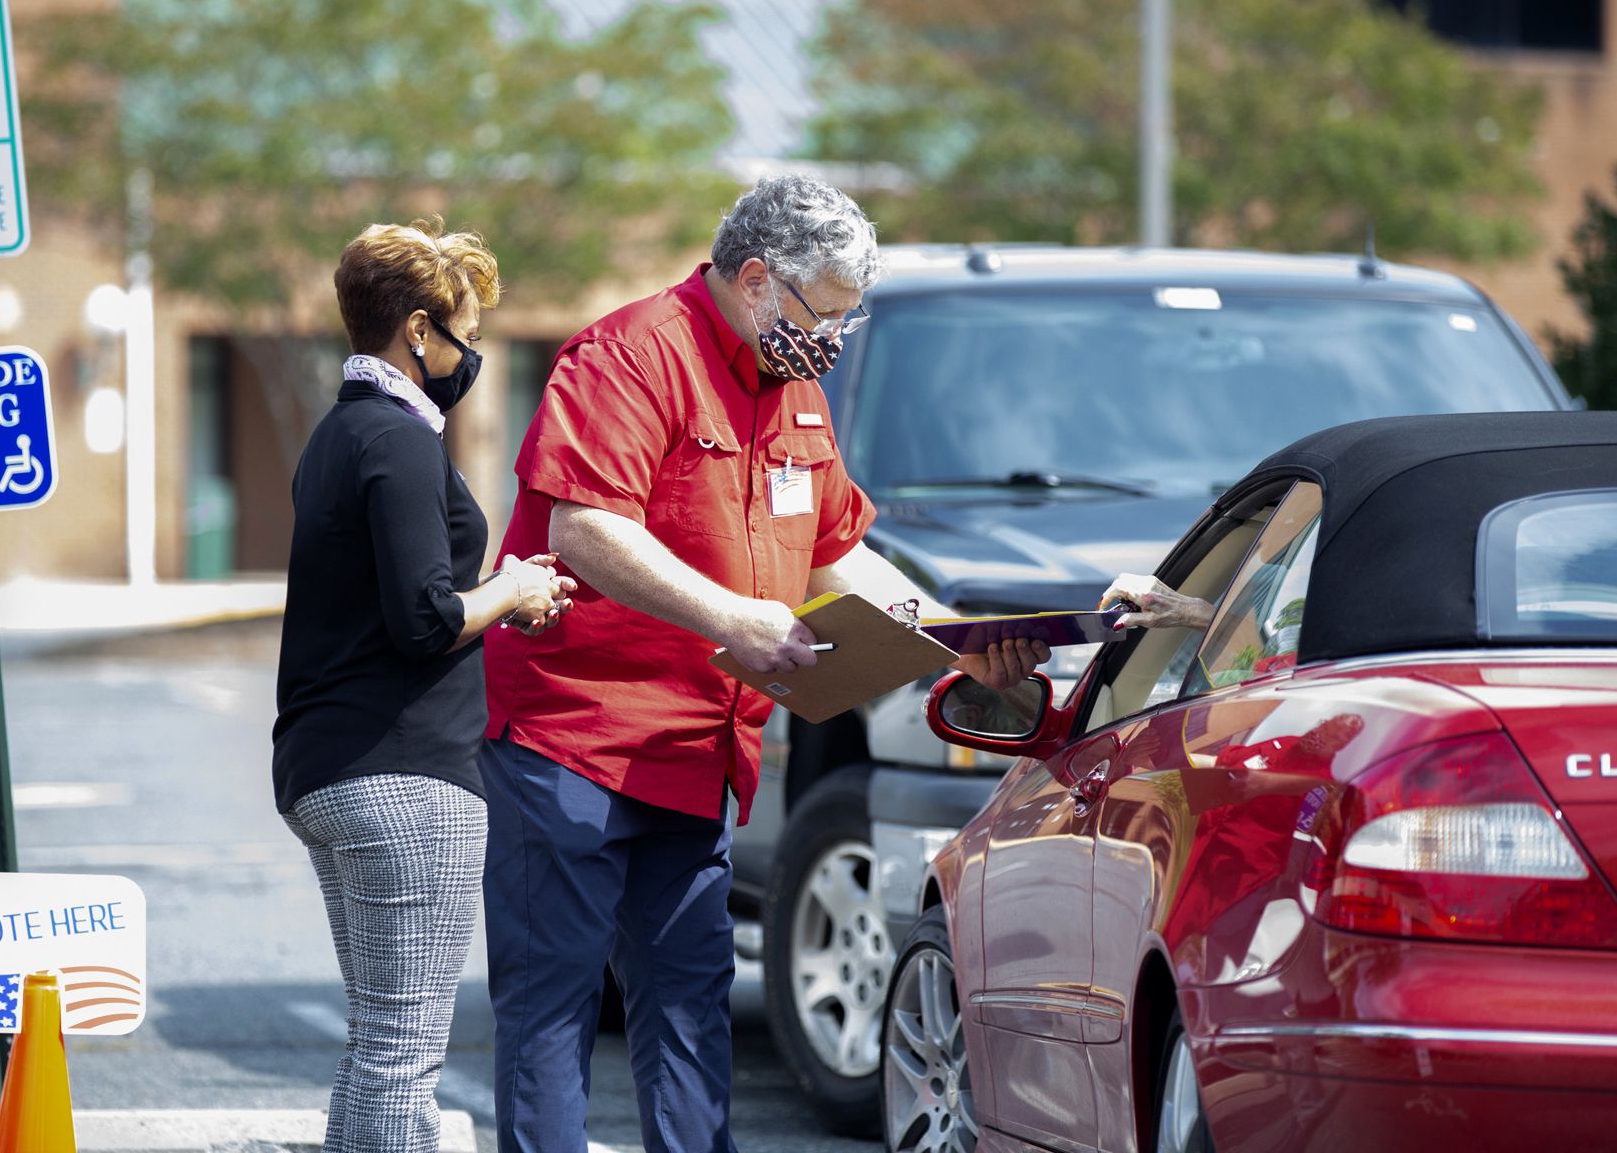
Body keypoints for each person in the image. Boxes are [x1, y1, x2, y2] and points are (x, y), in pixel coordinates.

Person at [480, 175, 1048, 1153]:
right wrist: (731, 616)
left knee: (691, 1006)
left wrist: (956, 637)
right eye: (822, 311)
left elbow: (838, 557)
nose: (832, 336)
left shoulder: (798, 394)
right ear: (754, 281)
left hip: (701, 746)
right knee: (554, 1004)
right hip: (574, 735)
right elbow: (585, 531)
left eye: (846, 317)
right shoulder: (630, 356)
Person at [273, 218, 575, 1153]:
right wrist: (517, 587)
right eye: (462, 333)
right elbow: (424, 620)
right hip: (404, 776)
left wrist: (494, 598)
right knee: (402, 1060)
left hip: (328, 764)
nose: (470, 354)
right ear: (416, 328)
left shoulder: (336, 434)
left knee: (377, 1049)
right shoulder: (399, 440)